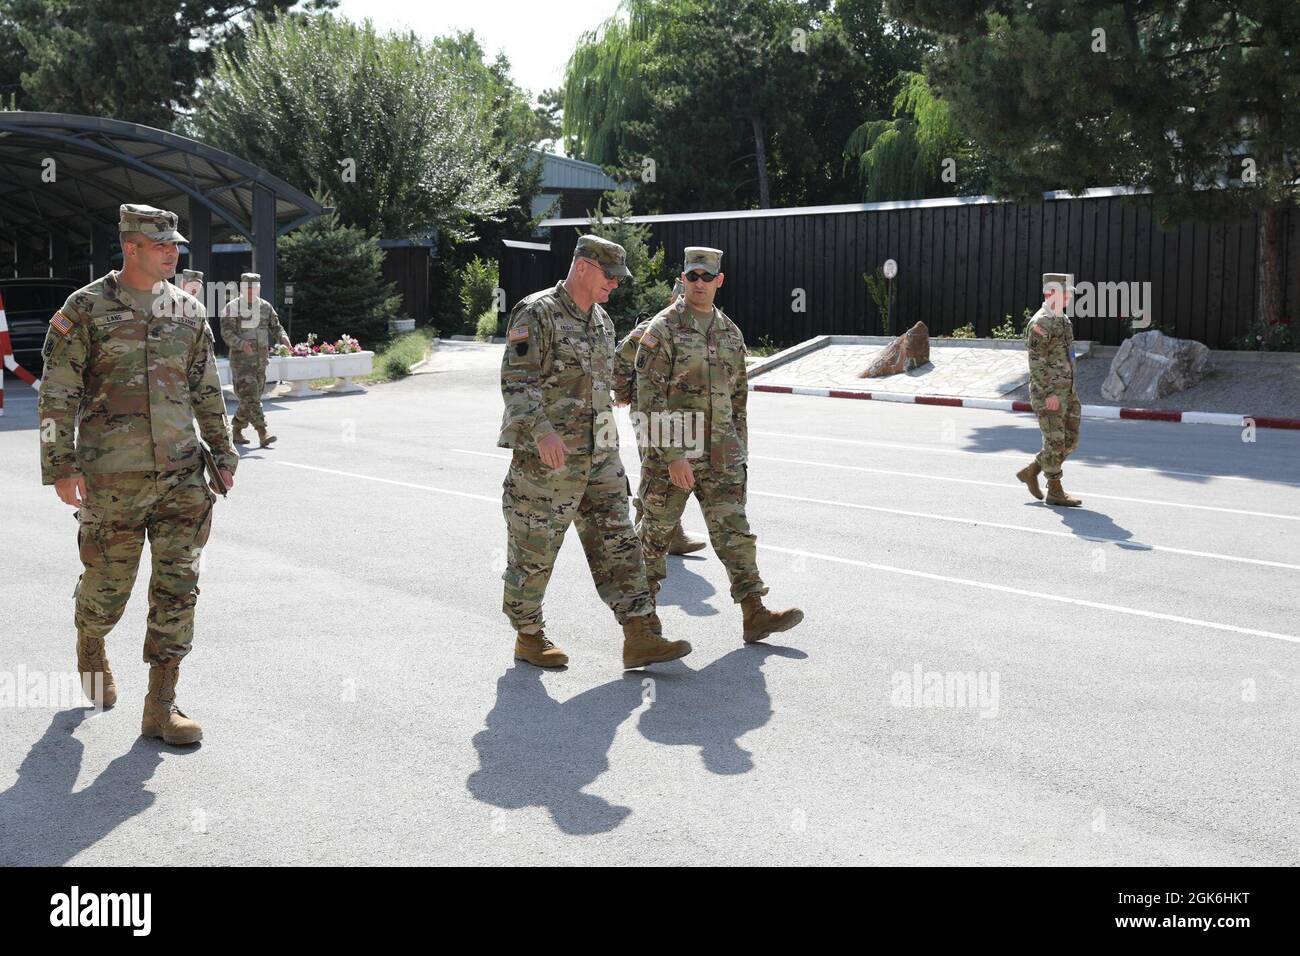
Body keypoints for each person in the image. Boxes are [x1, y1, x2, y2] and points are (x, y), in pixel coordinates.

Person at [37, 204, 238, 745]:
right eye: (162, 245)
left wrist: (222, 453)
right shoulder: (84, 310)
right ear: (131, 248)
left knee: (178, 588)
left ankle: (162, 704)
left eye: (176, 245)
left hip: (182, 477)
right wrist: (60, 466)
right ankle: (90, 640)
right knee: (109, 588)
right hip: (112, 479)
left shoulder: (189, 312)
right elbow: (57, 395)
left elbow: (206, 391)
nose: (173, 252)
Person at [498, 235, 692, 670]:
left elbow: (606, 390)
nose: (616, 284)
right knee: (535, 551)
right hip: (547, 462)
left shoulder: (602, 322)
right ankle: (528, 635)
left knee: (620, 543)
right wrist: (542, 431)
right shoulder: (537, 312)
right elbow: (517, 381)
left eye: (619, 278)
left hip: (600, 458)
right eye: (610, 275)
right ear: (582, 266)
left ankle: (640, 634)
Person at [634, 246, 804, 644]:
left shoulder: (730, 333)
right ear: (682, 279)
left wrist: (739, 452)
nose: (697, 283)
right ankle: (641, 629)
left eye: (705, 277)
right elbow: (648, 398)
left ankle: (754, 613)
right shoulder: (663, 329)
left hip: (722, 456)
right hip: (672, 460)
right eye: (691, 276)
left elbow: (738, 398)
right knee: (652, 541)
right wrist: (674, 456)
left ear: (718, 281)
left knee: (735, 533)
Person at [612, 277, 706, 556]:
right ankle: (647, 533)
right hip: (649, 412)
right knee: (657, 469)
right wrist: (622, 393)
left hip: (678, 415)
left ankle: (665, 533)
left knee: (665, 471)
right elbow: (620, 359)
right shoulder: (651, 327)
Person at [1017, 272, 1082, 507]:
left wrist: (1070, 389)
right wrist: (1050, 394)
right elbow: (1036, 364)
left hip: (1068, 391)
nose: (1068, 297)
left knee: (1070, 440)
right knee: (1054, 441)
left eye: (1069, 293)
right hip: (1050, 394)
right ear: (1050, 293)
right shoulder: (1040, 323)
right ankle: (1055, 490)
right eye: (1065, 293)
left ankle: (1031, 470)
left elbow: (1068, 357)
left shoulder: (1064, 321)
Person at [219, 272, 290, 447]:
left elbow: (276, 326)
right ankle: (263, 431)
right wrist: (241, 344)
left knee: (251, 398)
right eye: (247, 288)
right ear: (242, 289)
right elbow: (226, 333)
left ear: (259, 288)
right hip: (241, 362)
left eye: (254, 288)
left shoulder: (265, 307)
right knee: (251, 397)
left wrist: (282, 336)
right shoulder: (232, 307)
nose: (251, 291)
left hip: (261, 361)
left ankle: (236, 429)